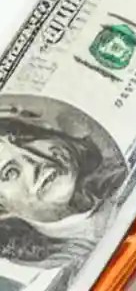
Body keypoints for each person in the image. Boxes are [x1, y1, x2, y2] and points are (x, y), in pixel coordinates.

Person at [0, 94, 127, 288]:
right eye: (9, 172)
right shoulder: (47, 273)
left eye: (27, 139)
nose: (35, 161)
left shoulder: (120, 181)